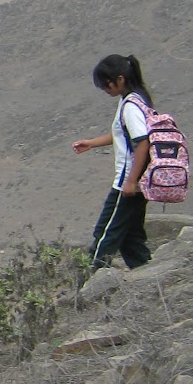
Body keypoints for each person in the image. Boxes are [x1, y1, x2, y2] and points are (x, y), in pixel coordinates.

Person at [72, 53, 154, 271]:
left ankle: (90, 280)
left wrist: (131, 181)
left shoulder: (131, 106)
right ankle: (147, 274)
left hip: (127, 183)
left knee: (104, 234)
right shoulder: (136, 99)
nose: (105, 90)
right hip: (138, 183)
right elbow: (122, 135)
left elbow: (142, 142)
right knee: (130, 238)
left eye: (106, 84)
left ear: (120, 79)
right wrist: (92, 143)